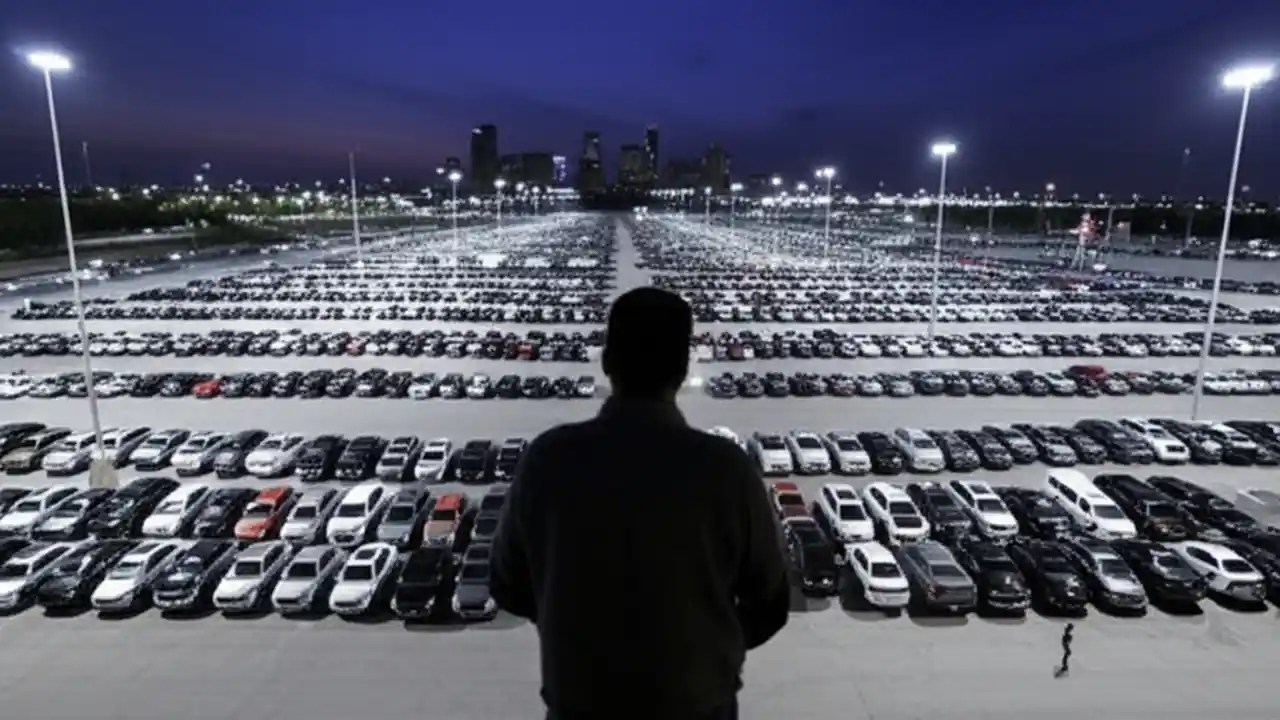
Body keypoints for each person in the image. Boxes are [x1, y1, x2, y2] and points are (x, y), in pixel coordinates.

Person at [491, 287, 791, 720]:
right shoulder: (724, 469)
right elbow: (770, 602)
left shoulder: (549, 460)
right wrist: (703, 648)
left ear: (607, 360)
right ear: (683, 368)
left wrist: (575, 628)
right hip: (696, 705)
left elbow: (507, 585)